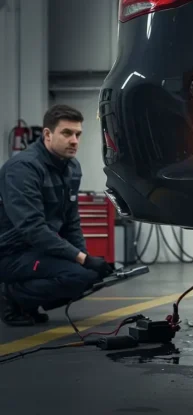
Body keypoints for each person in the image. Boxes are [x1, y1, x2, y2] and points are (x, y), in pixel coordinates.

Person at [0, 104, 114, 326]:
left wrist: (85, 257)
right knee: (77, 276)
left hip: (38, 251)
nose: (74, 141)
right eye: (67, 133)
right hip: (11, 254)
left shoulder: (72, 168)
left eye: (78, 134)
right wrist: (81, 259)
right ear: (47, 134)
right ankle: (9, 295)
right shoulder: (23, 169)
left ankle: (26, 303)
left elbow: (71, 221)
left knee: (92, 275)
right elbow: (32, 228)